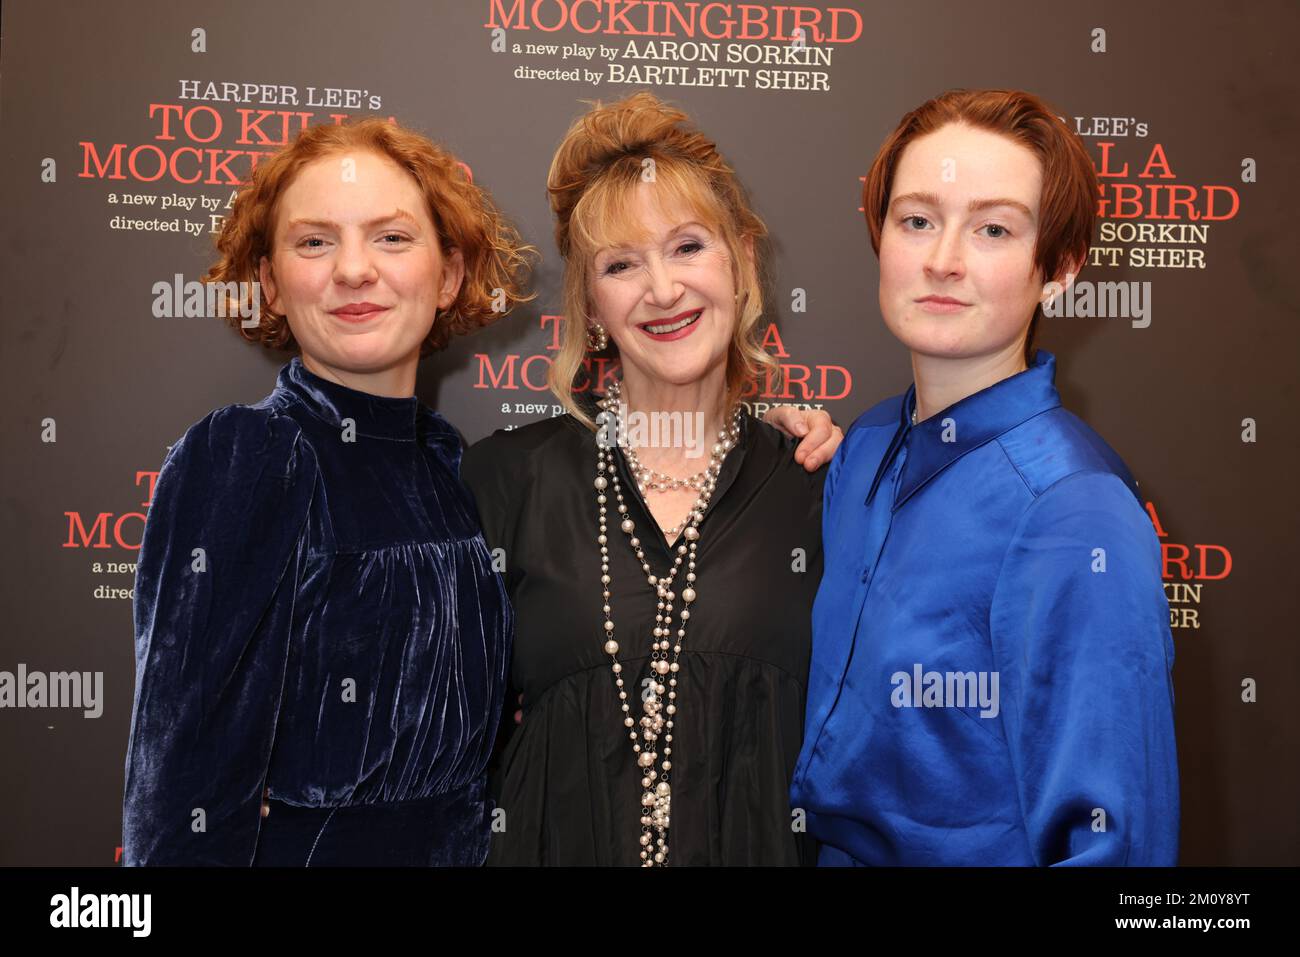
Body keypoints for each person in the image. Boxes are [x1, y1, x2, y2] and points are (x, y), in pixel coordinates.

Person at [121, 118, 533, 866]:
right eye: (314, 241)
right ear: (271, 281)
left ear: (448, 274)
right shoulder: (248, 457)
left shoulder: (448, 466)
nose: (353, 269)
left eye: (392, 237)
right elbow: (180, 799)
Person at [790, 89, 1180, 866]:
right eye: (918, 220)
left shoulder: (1076, 509)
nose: (943, 259)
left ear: (1059, 268)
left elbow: (1119, 847)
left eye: (994, 228)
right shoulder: (863, 449)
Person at [461, 91, 841, 866]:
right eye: (622, 264)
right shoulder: (507, 479)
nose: (662, 289)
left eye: (688, 247)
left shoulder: (821, 485)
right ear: (592, 302)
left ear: (740, 261)